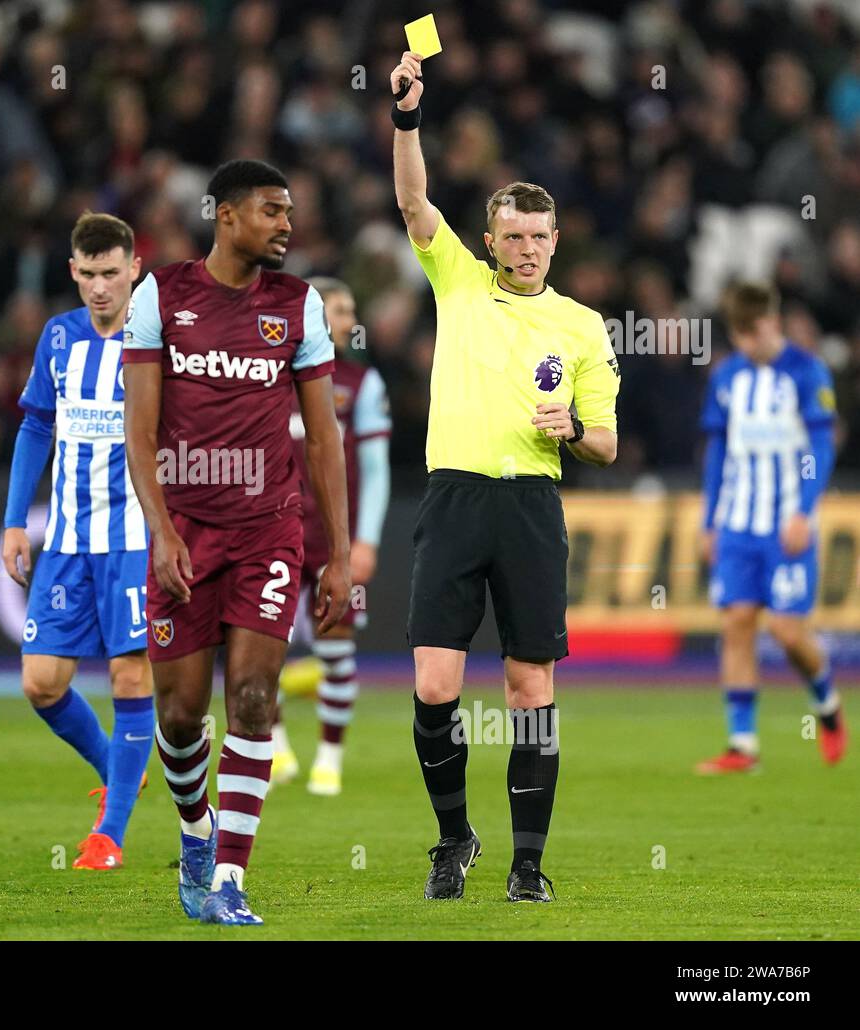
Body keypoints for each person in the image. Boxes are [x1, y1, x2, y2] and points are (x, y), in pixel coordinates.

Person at [391, 52, 620, 903]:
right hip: (453, 498)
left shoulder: (584, 326)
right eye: (511, 236)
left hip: (529, 503)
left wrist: (574, 432)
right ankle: (454, 840)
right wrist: (408, 119)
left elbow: (606, 440)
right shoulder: (456, 281)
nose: (525, 249)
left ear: (556, 241)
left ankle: (529, 864)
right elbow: (414, 201)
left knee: (529, 687)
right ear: (489, 242)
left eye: (538, 236)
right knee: (434, 684)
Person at [123, 159, 351, 925]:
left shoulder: (299, 306)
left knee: (252, 698)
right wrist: (159, 533)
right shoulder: (163, 295)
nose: (287, 224)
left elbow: (323, 441)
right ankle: (196, 830)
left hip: (268, 534)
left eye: (289, 212)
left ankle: (229, 878)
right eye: (271, 211)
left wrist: (341, 557)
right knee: (181, 716)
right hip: (182, 534)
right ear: (224, 215)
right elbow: (141, 430)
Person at [1, 212, 155, 870]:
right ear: (73, 271)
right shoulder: (58, 338)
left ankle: (109, 835)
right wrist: (14, 520)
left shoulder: (156, 342)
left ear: (134, 270)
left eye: (110, 274)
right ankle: (122, 766)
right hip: (66, 539)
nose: (99, 287)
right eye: (87, 275)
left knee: (129, 673)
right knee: (40, 683)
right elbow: (36, 425)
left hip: (136, 539)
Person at [697, 282, 846, 773]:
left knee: (784, 630)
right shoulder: (728, 377)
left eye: (753, 333)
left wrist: (804, 510)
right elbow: (718, 452)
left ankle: (825, 701)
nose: (746, 344)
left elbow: (820, 448)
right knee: (737, 623)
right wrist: (709, 520)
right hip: (738, 523)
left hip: (787, 524)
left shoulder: (807, 371)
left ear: (772, 322)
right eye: (738, 336)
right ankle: (743, 745)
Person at [272, 278, 391, 796]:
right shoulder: (271, 376)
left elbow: (376, 468)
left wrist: (364, 540)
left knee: (336, 649)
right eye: (338, 308)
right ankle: (275, 751)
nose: (347, 319)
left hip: (331, 538)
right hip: (270, 531)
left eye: (349, 310)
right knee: (257, 650)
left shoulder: (362, 384)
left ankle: (329, 760)